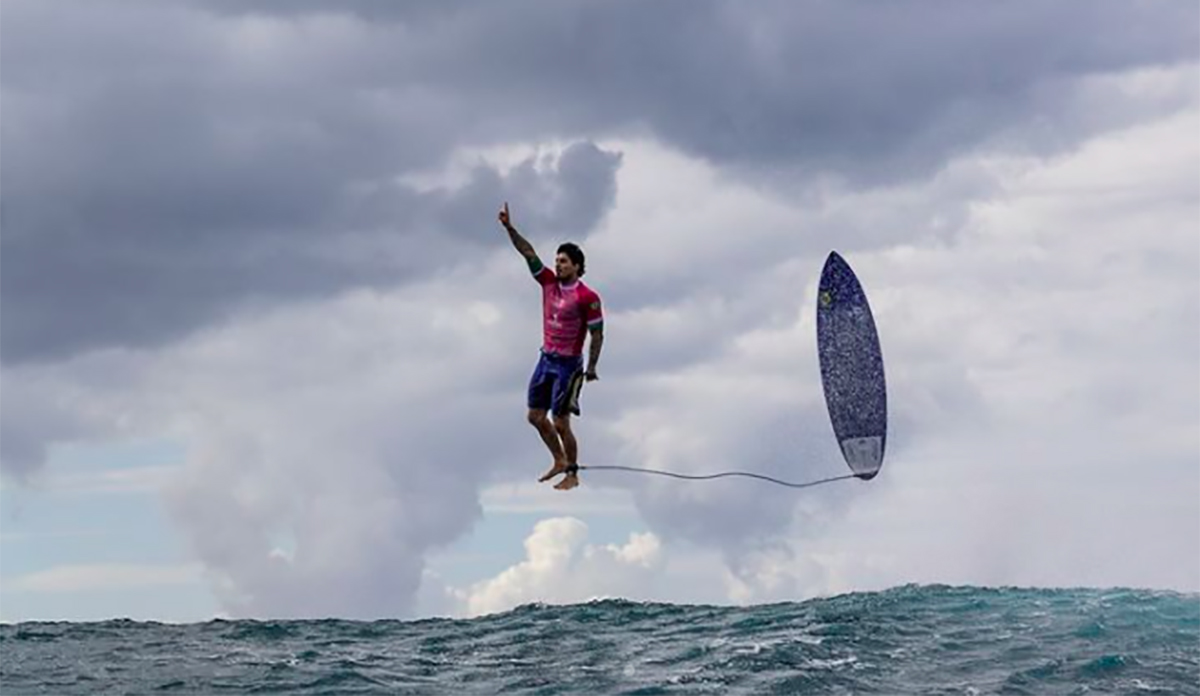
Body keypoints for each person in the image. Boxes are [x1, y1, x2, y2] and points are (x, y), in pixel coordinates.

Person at [499, 202, 604, 491]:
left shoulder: (587, 296)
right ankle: (558, 459)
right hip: (546, 359)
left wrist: (592, 367)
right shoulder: (548, 283)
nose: (558, 265)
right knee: (534, 416)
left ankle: (572, 473)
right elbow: (528, 252)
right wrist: (510, 229)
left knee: (560, 421)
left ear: (578, 267)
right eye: (557, 260)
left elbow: (597, 334)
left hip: (569, 365)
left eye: (564, 262)